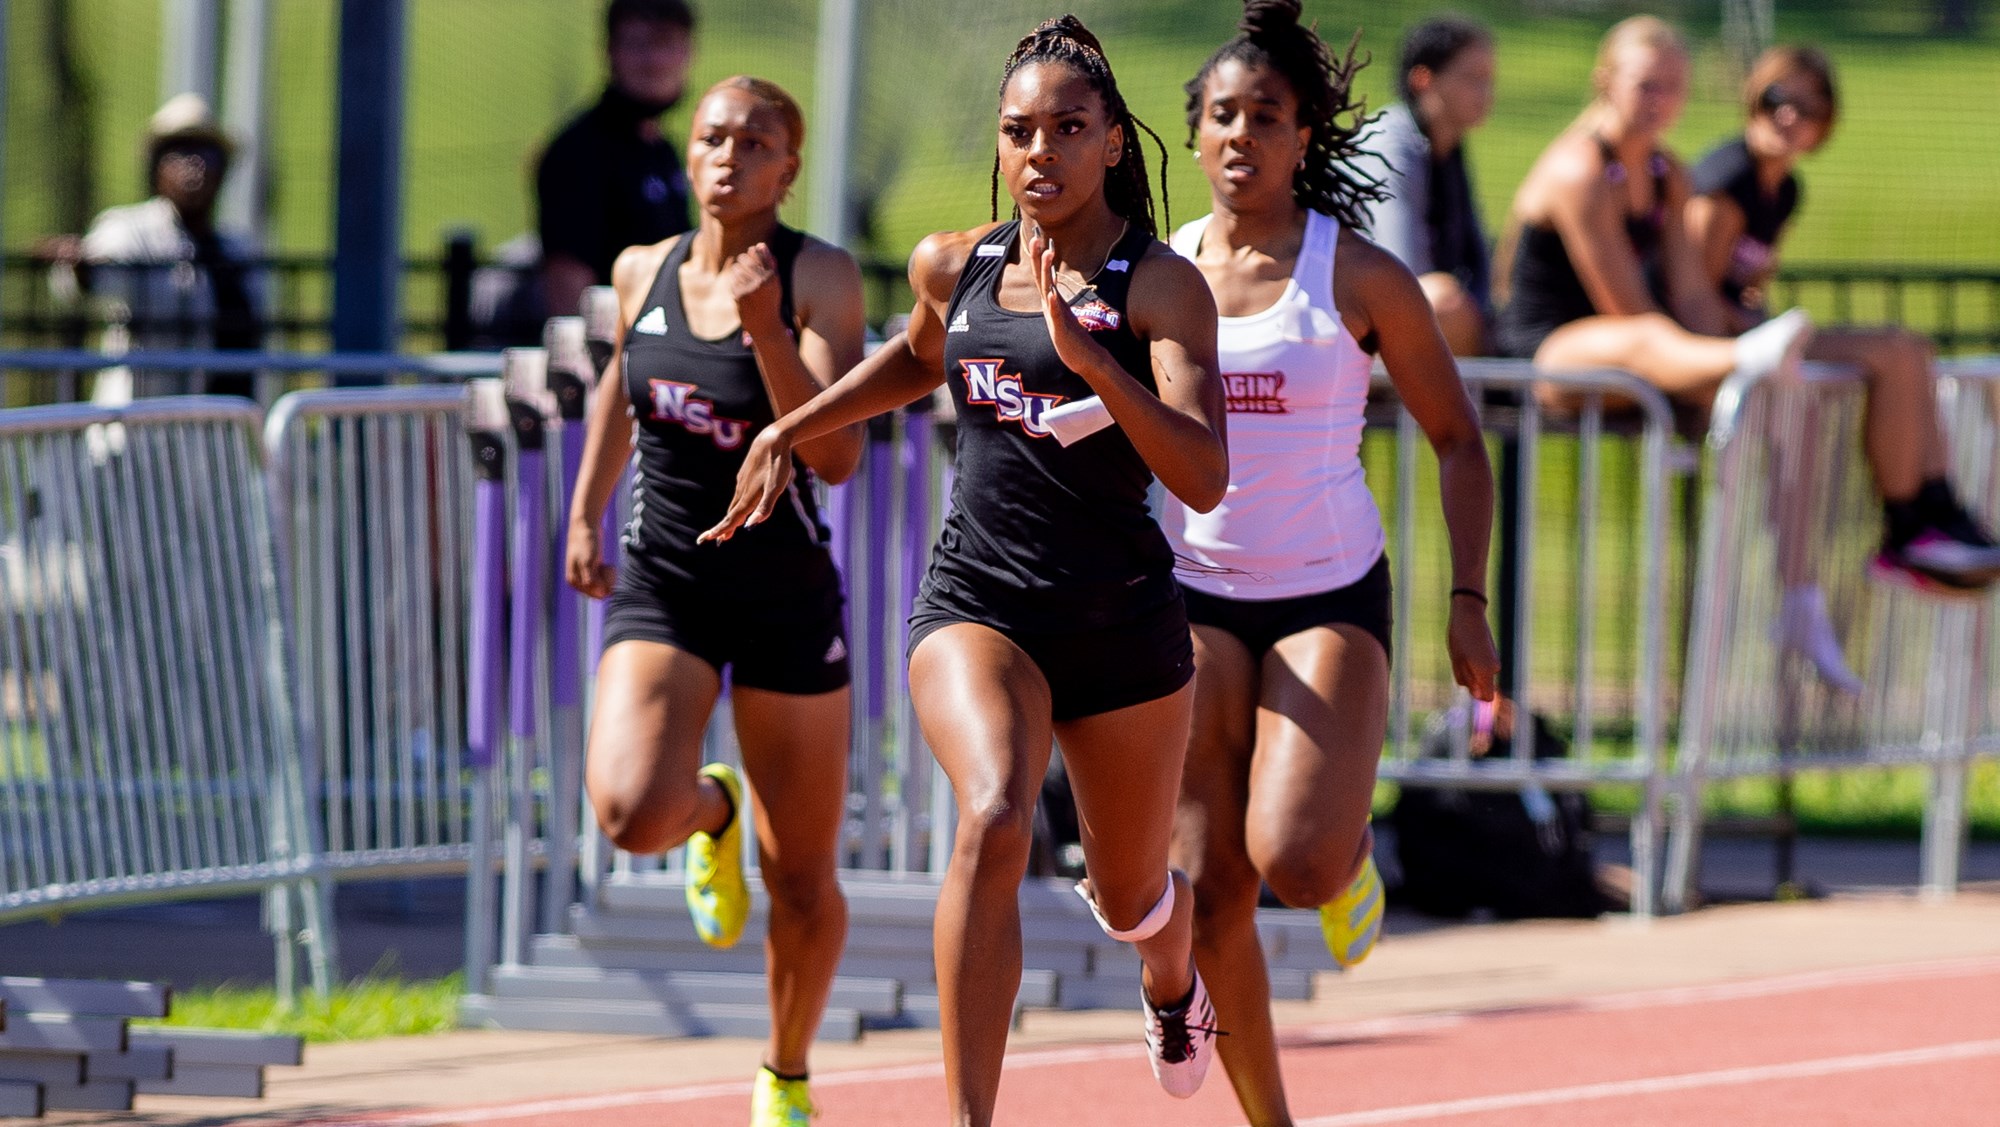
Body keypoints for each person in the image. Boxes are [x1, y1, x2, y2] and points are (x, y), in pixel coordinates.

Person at [701, 17, 1230, 1124]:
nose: (1039, 152)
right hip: (977, 601)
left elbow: (1202, 472)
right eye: (1017, 131)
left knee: (1131, 892)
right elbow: (916, 354)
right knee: (992, 810)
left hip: (1121, 624)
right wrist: (786, 427)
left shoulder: (1160, 287)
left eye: (1067, 130)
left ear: (1114, 146)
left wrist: (1093, 364)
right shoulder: (959, 259)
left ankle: (1169, 969)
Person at [1165, 4, 1500, 1123]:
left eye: (1265, 116)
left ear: (1304, 133)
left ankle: (1345, 845)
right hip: (1191, 592)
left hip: (1323, 589)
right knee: (1211, 895)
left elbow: (1456, 436)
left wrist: (1466, 598)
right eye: (1220, 116)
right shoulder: (1154, 274)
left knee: (1293, 864)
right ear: (1195, 131)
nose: (1239, 136)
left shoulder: (1353, 275)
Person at [562, 76, 866, 1127]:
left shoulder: (816, 275)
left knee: (801, 879)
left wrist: (764, 330)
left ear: (789, 166)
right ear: (688, 156)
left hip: (783, 590)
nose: (729, 154)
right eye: (712, 136)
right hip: (668, 577)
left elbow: (834, 451)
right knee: (629, 810)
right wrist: (584, 511)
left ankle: (784, 1070)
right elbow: (620, 379)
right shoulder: (641, 266)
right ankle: (710, 808)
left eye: (756, 140)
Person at [1685, 44, 2000, 620]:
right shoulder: (1727, 176)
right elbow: (1694, 301)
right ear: (1756, 97)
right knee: (1894, 354)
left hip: (1749, 336)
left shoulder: (1783, 189)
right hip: (1709, 351)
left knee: (1911, 349)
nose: (1791, 118)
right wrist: (1760, 330)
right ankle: (1907, 526)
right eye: (1781, 99)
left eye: (1810, 109)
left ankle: (1937, 504)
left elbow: (1747, 289)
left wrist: (1762, 319)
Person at [1492, 16, 1819, 412]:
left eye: (1673, 87)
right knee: (1650, 339)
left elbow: (1693, 293)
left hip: (1629, 348)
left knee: (1715, 384)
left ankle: (1753, 369)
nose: (1660, 100)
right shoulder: (1580, 170)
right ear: (1605, 83)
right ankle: (1750, 361)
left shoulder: (1668, 174)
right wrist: (1724, 355)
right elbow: (1626, 309)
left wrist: (1715, 335)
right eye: (1646, 86)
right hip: (1545, 357)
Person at [79, 92, 262, 399]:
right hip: (140, 434)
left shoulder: (239, 251)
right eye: (179, 153)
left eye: (207, 154)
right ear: (156, 167)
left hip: (219, 435)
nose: (195, 166)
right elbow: (102, 276)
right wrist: (81, 269)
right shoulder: (130, 230)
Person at [537, 0, 697, 322]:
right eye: (639, 45)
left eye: (667, 44)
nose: (655, 61)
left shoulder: (665, 149)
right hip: (616, 356)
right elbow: (570, 295)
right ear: (609, 52)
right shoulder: (579, 151)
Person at [1355, 16, 1499, 356]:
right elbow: (1402, 272)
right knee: (1441, 299)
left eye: (1489, 80)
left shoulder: (1448, 147)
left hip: (1395, 319)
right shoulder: (1389, 145)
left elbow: (1476, 261)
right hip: (1350, 317)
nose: (1486, 93)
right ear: (1424, 80)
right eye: (1472, 79)